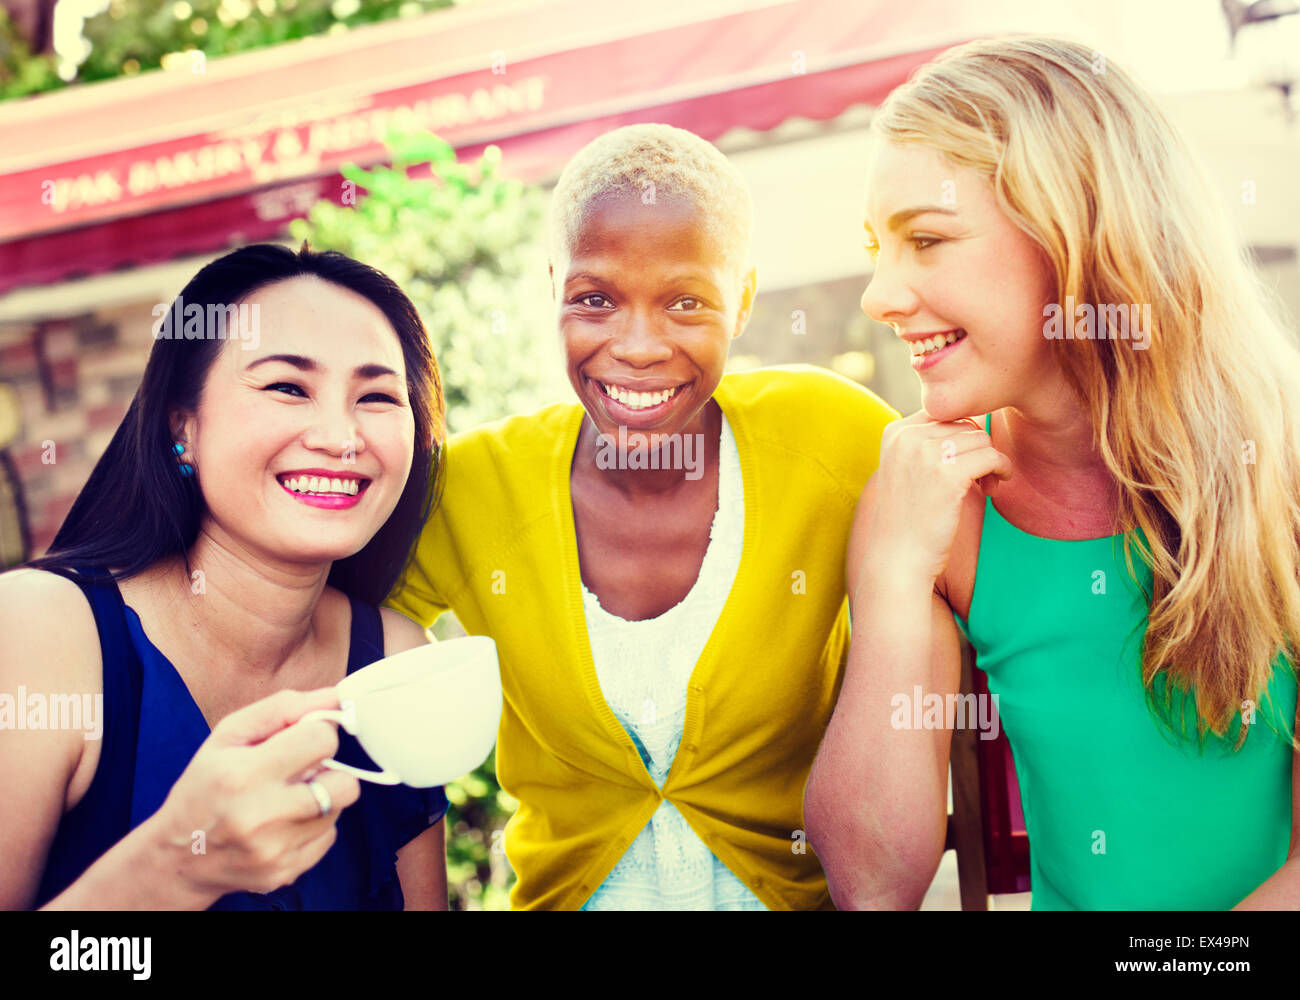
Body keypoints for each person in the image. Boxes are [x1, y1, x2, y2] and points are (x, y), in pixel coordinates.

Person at [806, 35, 1300, 910]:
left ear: (1074, 234)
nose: (879, 294)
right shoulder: (937, 505)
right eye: (880, 246)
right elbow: (871, 885)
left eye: (926, 239)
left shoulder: (1282, 467)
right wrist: (887, 582)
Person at [384, 123, 899, 910]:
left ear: (745, 300)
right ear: (552, 288)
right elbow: (329, 634)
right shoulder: (472, 486)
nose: (637, 346)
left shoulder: (832, 436)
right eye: (594, 299)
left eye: (685, 302)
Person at [0, 244, 451, 910]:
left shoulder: (395, 659)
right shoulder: (39, 637)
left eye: (378, 396)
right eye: (287, 387)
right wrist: (172, 866)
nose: (340, 436)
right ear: (183, 425)